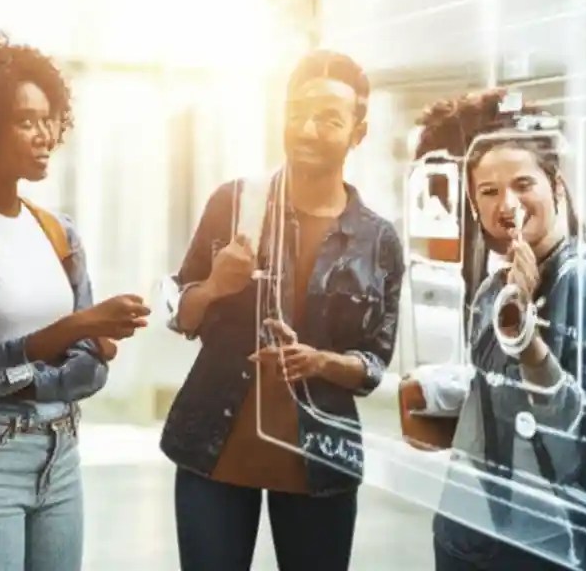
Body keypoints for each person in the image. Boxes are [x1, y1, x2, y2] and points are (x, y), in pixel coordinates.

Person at [0, 31, 148, 571]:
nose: (46, 135)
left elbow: (91, 371)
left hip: (59, 452)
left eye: (50, 118)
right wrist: (68, 332)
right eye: (25, 120)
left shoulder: (57, 232)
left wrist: (44, 365)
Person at [161, 50, 406, 571]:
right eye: (297, 112)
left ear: (357, 133)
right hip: (214, 452)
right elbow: (183, 315)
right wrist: (215, 286)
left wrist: (319, 362)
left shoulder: (377, 239)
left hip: (321, 463)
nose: (307, 129)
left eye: (329, 119)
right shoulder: (234, 203)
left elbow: (374, 364)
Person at [401, 91, 586, 570]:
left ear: (557, 185)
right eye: (487, 191)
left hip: (551, 547)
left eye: (522, 183)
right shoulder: (495, 286)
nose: (506, 205)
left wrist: (526, 337)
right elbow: (493, 390)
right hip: (470, 536)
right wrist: (434, 391)